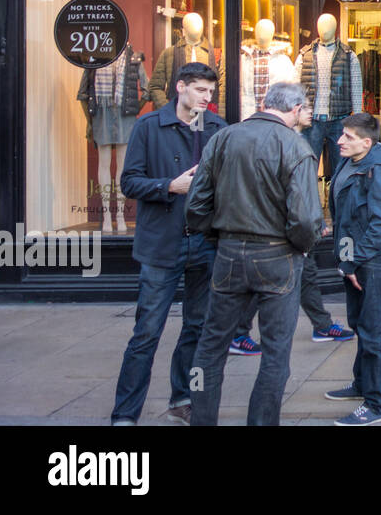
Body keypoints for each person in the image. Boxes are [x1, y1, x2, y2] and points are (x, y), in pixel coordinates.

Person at [185, 81, 323, 426]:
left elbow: (196, 205)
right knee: (276, 352)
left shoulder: (223, 138)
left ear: (264, 103)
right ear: (294, 110)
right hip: (278, 254)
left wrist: (217, 236)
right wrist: (302, 247)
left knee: (210, 346)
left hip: (229, 252)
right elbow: (306, 218)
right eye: (302, 112)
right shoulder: (296, 146)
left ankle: (202, 419)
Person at [110, 62, 227, 426]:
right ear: (180, 87)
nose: (207, 98)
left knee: (196, 327)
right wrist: (169, 187)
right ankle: (125, 414)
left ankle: (182, 399)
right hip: (162, 243)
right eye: (200, 90)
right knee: (146, 333)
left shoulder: (218, 129)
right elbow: (129, 182)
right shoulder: (148, 126)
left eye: (211, 92)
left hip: (205, 244)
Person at [227, 108, 354, 356]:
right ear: (293, 110)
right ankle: (238, 333)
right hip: (276, 229)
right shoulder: (283, 141)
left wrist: (313, 222)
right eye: (306, 108)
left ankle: (322, 325)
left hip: (289, 226)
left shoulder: (296, 140)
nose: (313, 113)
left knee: (307, 275)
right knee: (265, 283)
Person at [324, 112, 381, 425]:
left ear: (366, 143)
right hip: (352, 258)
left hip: (371, 262)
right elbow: (346, 215)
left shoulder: (376, 171)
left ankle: (376, 403)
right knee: (358, 322)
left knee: (375, 329)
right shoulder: (348, 161)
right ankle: (362, 384)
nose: (340, 140)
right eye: (342, 134)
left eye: (348, 137)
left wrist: (354, 260)